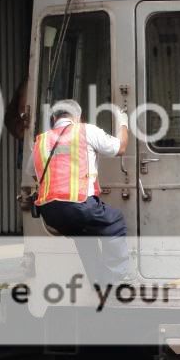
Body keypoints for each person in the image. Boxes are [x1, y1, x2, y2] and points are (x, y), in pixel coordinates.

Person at [33, 99, 131, 284]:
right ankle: (117, 276)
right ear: (77, 117)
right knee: (114, 222)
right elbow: (121, 147)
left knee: (83, 235)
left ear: (54, 118)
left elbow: (33, 171)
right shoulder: (85, 131)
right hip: (79, 205)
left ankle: (98, 282)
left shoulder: (41, 140)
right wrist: (123, 122)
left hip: (50, 213)